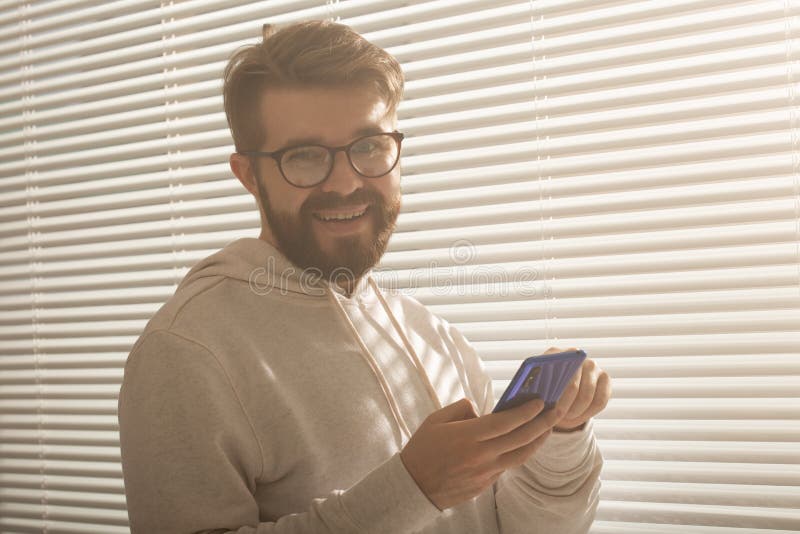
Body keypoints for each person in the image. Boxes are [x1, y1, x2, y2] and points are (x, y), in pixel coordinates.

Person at [117, 19, 612, 534]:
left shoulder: (435, 337)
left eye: (370, 145)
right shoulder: (185, 352)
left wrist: (562, 435)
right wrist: (414, 488)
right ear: (248, 176)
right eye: (305, 156)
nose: (347, 181)